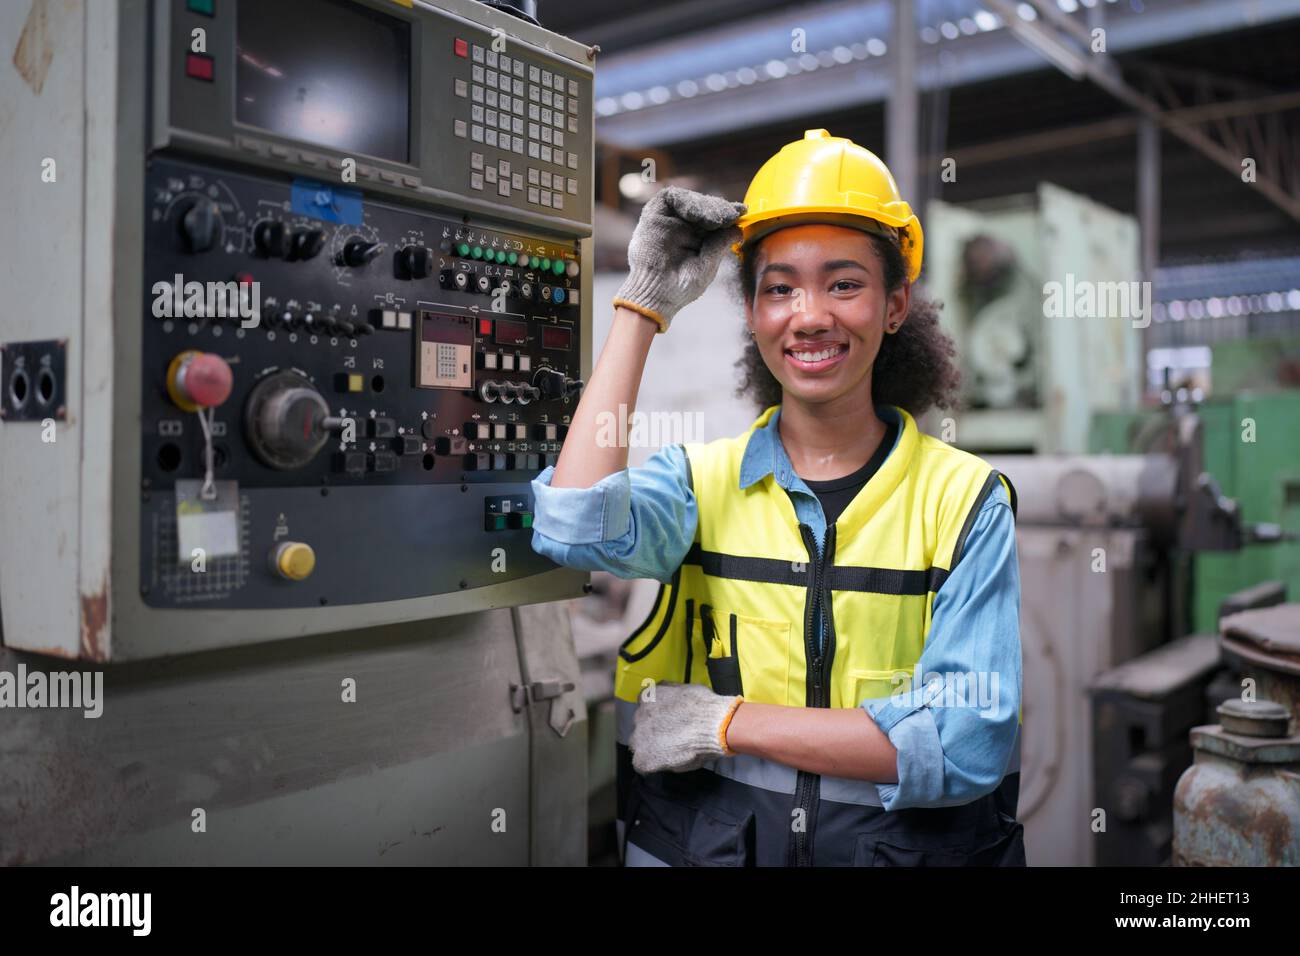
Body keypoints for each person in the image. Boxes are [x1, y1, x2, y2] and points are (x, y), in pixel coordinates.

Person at [530, 129, 1025, 867]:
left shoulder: (964, 500)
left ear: (895, 305)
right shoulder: (702, 483)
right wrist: (641, 307)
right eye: (780, 287)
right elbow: (571, 527)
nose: (810, 315)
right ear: (754, 313)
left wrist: (729, 722)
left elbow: (963, 742)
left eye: (844, 283)